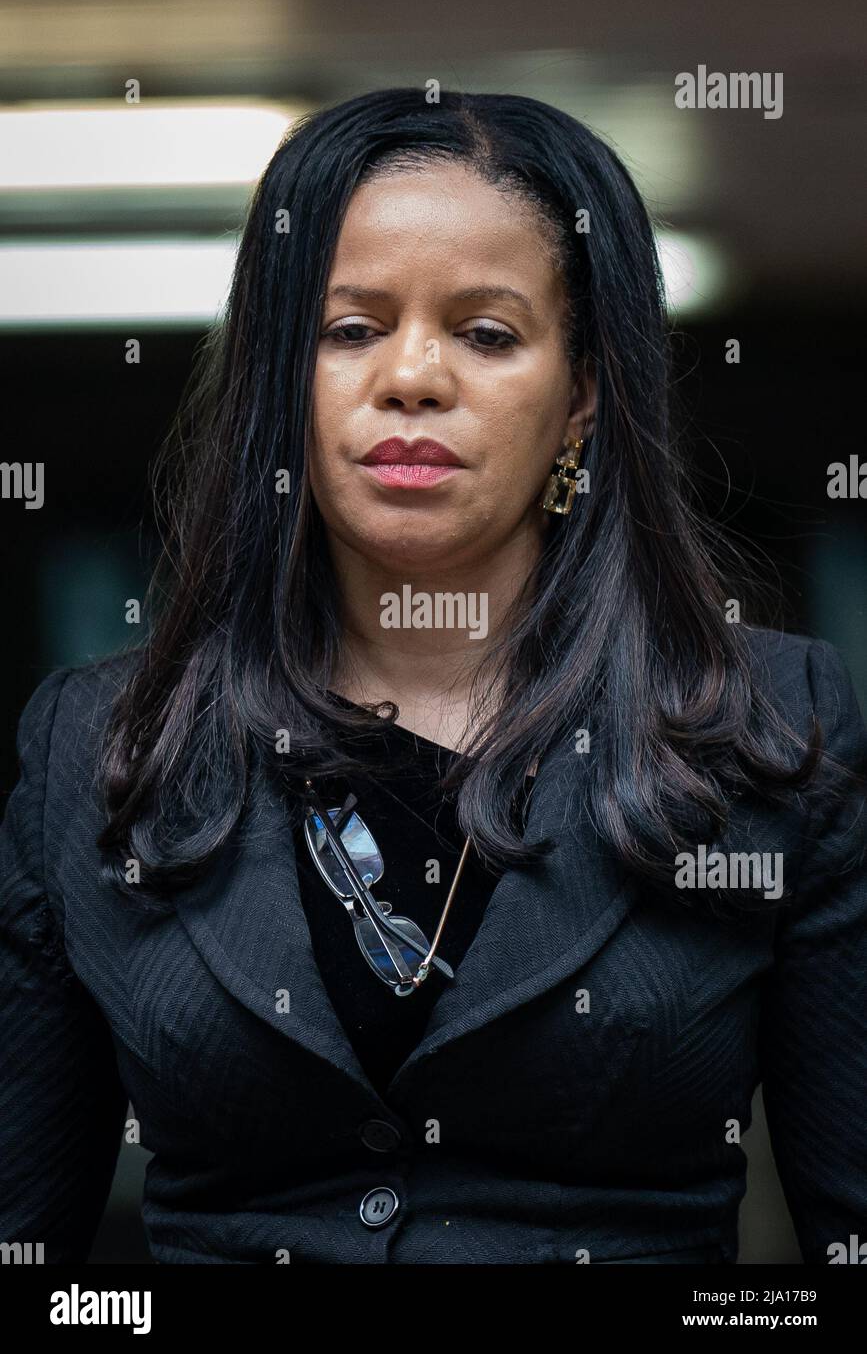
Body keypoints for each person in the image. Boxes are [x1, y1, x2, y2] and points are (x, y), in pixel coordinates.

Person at [1, 87, 865, 1265]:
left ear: (583, 397)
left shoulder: (770, 731)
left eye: (487, 332)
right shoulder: (97, 747)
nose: (411, 377)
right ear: (278, 386)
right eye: (350, 329)